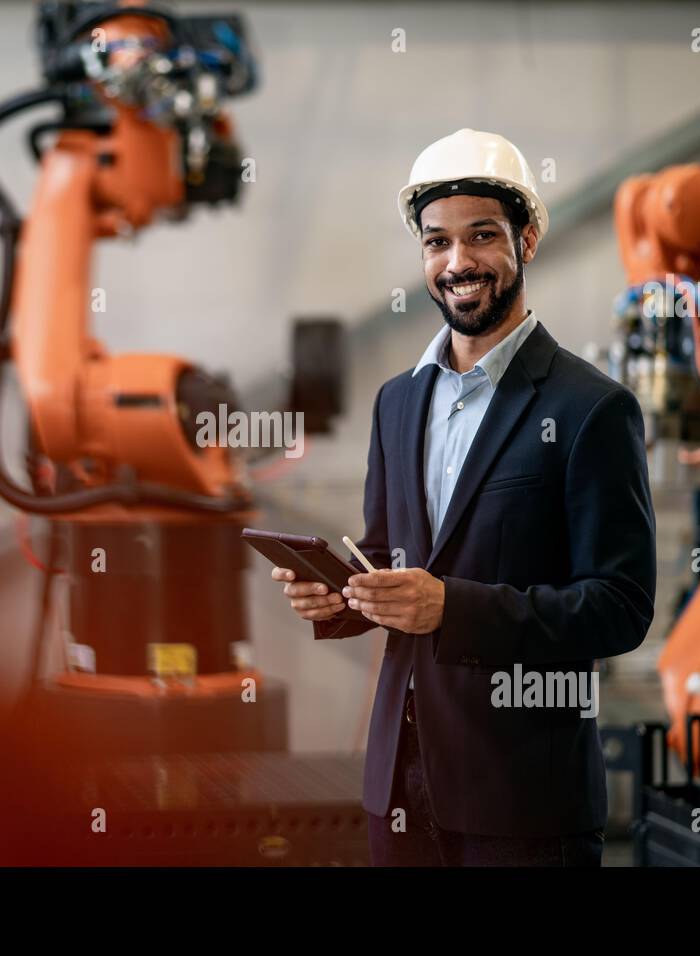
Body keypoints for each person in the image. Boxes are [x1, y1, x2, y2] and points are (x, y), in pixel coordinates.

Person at [272, 129, 656, 866]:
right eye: (436, 242)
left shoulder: (590, 408)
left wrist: (452, 605)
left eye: (482, 236)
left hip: (523, 803)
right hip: (399, 788)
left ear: (528, 240)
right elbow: (390, 558)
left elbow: (619, 605)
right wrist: (342, 596)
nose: (457, 263)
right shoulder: (397, 403)